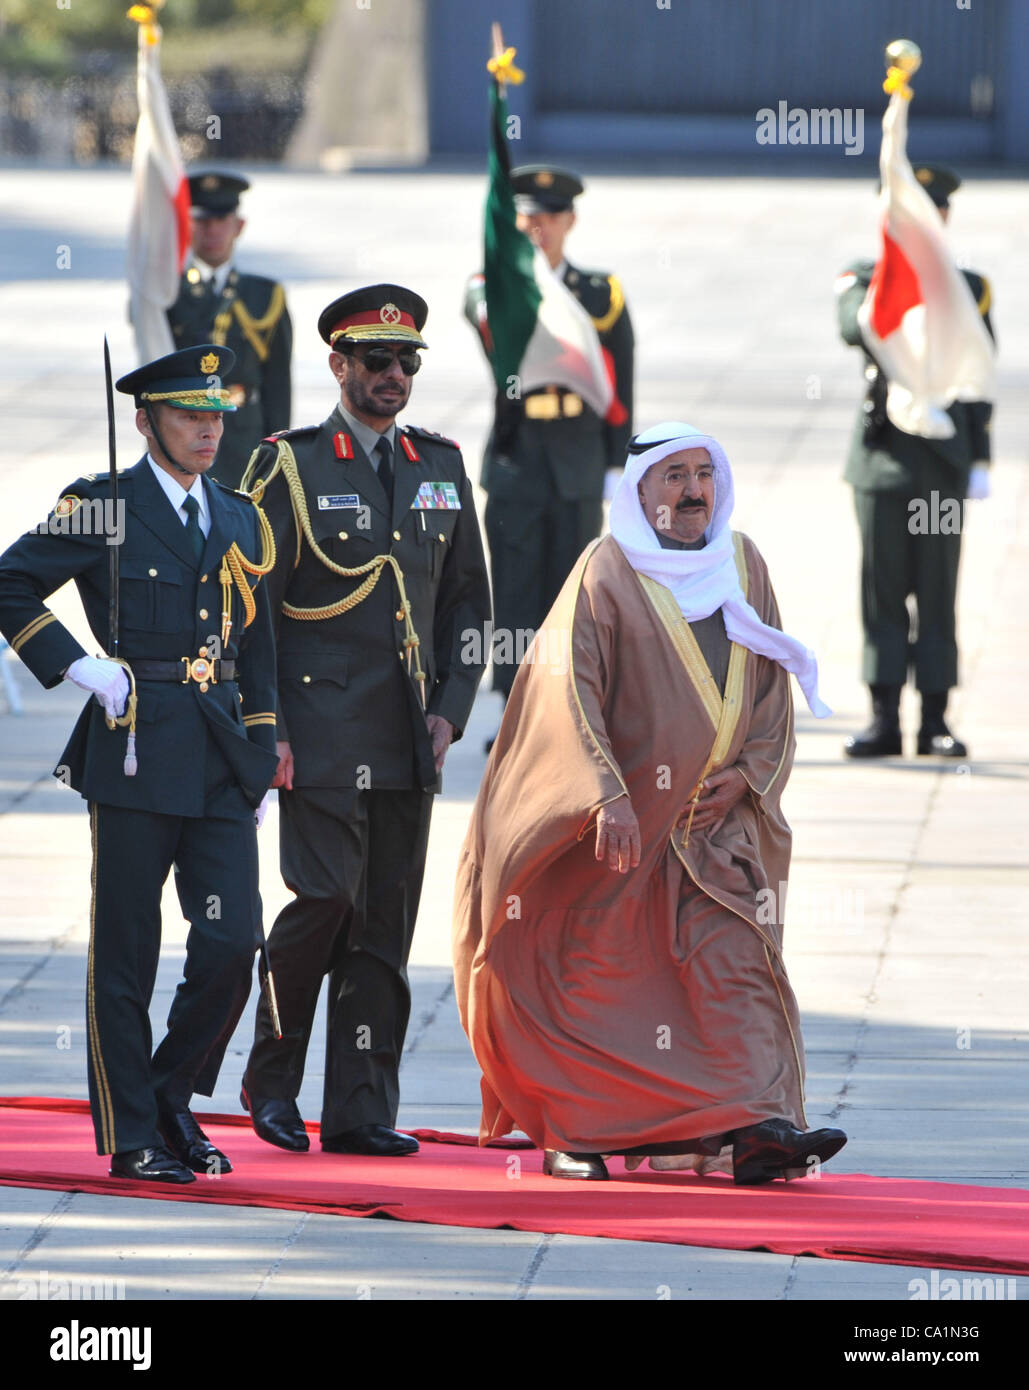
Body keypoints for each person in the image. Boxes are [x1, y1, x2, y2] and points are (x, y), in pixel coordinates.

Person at [453, 422, 846, 1184]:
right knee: (597, 988)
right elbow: (566, 691)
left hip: (707, 833)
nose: (692, 489)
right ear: (639, 493)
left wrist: (752, 774)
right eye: (673, 476)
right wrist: (603, 796)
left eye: (703, 473)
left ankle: (756, 1127)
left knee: (735, 969)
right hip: (612, 838)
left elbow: (766, 683)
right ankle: (575, 1130)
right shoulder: (607, 571)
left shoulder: (742, 562)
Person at [0, 345, 279, 1183]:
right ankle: (133, 1135)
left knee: (233, 942)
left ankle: (171, 1097)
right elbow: (9, 584)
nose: (208, 428)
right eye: (190, 413)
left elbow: (258, 646)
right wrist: (78, 665)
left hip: (221, 755)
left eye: (217, 413)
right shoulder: (102, 506)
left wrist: (261, 754)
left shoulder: (239, 516)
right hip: (132, 745)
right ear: (144, 419)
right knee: (127, 946)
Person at [241, 284, 491, 1158]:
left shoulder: (440, 465)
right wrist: (264, 724)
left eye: (406, 362)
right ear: (338, 365)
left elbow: (468, 604)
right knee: (324, 900)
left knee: (383, 927)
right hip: (314, 730)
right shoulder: (292, 463)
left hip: (406, 735)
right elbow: (251, 606)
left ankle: (357, 1109)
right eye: (375, 361)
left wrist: (452, 711)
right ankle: (270, 1083)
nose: (393, 376)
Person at [836, 163, 994, 759]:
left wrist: (979, 458)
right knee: (882, 590)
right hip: (883, 461)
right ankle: (883, 717)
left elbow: (976, 380)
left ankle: (934, 719)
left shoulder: (969, 289)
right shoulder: (864, 279)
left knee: (936, 590)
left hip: (942, 462)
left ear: (944, 218)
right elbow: (855, 327)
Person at [464, 164, 633, 707]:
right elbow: (484, 318)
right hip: (520, 455)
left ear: (571, 221)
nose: (541, 226)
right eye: (529, 216)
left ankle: (571, 710)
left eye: (552, 216)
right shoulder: (493, 287)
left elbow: (620, 382)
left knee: (574, 593)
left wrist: (614, 465)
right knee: (514, 592)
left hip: (579, 456)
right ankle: (517, 715)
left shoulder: (600, 293)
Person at [167, 169, 293, 490]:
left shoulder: (265, 296)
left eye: (221, 221)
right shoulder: (167, 293)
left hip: (243, 436)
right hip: (181, 431)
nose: (212, 231)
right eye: (202, 221)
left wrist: (277, 453)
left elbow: (277, 384)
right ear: (188, 224)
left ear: (238, 226)